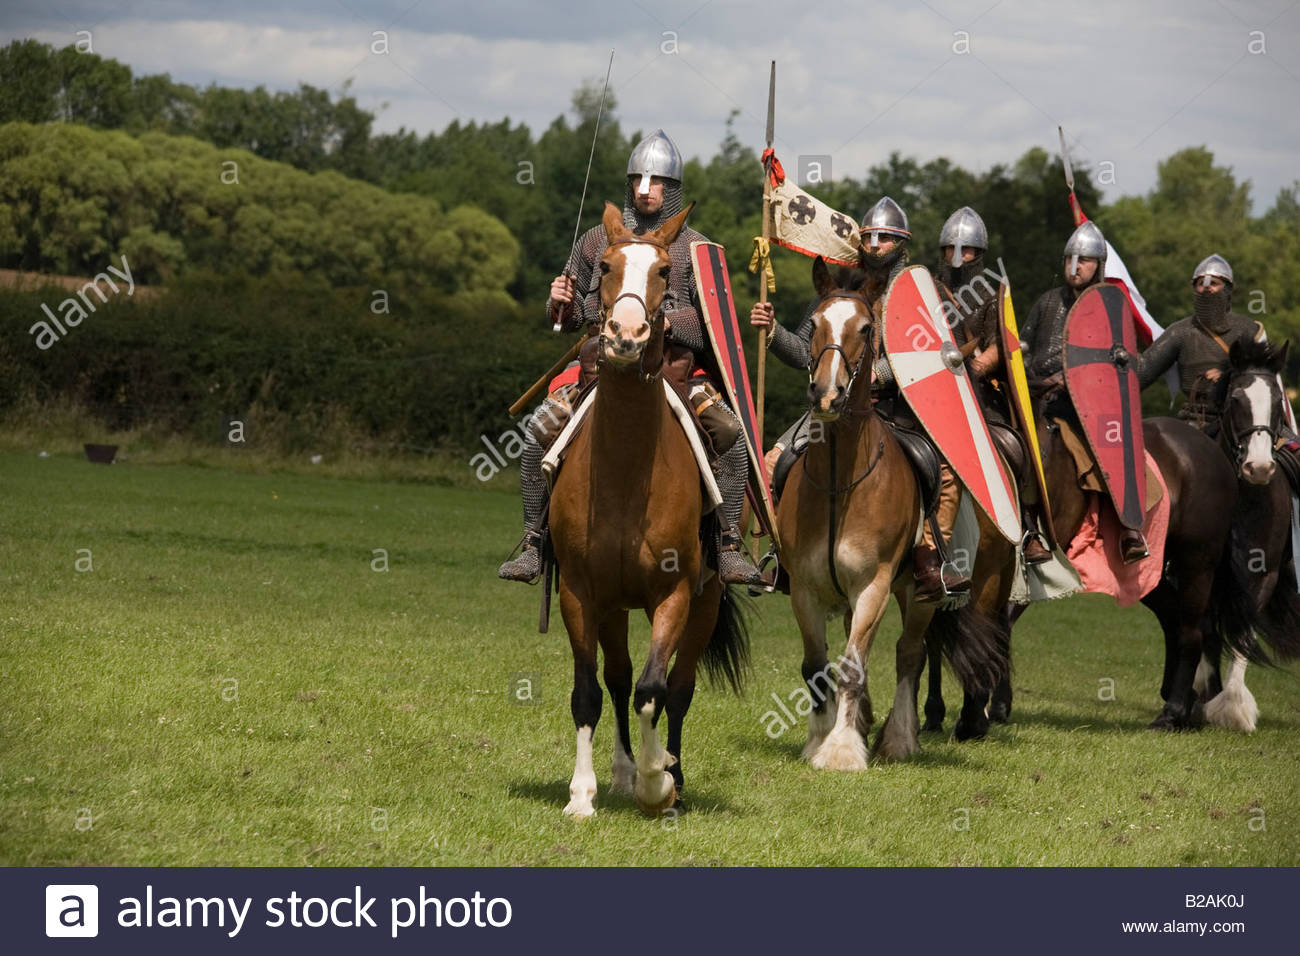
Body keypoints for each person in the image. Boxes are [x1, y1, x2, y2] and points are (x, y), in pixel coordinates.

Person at [498, 129, 763, 586]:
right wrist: (558, 302)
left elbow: (712, 328)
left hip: (675, 370)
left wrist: (661, 323)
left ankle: (728, 547)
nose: (646, 189)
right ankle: (533, 543)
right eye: (639, 179)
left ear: (672, 187)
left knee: (730, 433)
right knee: (535, 435)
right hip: (600, 366)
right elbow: (575, 310)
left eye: (657, 180)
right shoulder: (597, 240)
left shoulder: (695, 249)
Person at [749, 197, 972, 601]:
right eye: (869, 237)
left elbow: (933, 354)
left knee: (943, 474)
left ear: (901, 243)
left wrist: (877, 373)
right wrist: (773, 330)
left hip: (898, 407)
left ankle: (927, 560)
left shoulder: (920, 291)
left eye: (885, 238)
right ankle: (783, 558)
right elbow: (804, 353)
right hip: (833, 404)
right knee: (770, 465)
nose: (875, 245)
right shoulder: (837, 290)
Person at [1020, 222, 1148, 563]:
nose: (1075, 267)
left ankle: (1128, 528)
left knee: (1114, 449)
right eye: (1070, 259)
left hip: (1086, 406)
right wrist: (1031, 373)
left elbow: (1118, 361)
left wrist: (1076, 378)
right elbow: (1025, 345)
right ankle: (1027, 530)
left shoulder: (1110, 306)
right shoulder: (1048, 301)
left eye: (1084, 260)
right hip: (1038, 398)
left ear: (1099, 266)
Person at [935, 206, 1051, 564]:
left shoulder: (991, 290)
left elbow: (1005, 338)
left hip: (979, 391)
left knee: (1017, 446)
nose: (957, 257)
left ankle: (1029, 527)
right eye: (950, 249)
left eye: (965, 250)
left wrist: (982, 363)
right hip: (935, 391)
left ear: (978, 254)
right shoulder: (927, 286)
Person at [1136, 254, 1268, 435]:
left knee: (1287, 454)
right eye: (1201, 283)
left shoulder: (1249, 331)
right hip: (1194, 421)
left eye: (1213, 283)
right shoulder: (1180, 332)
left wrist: (1228, 375)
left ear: (1227, 290)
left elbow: (1264, 380)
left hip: (1241, 422)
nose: (1207, 288)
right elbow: (1142, 372)